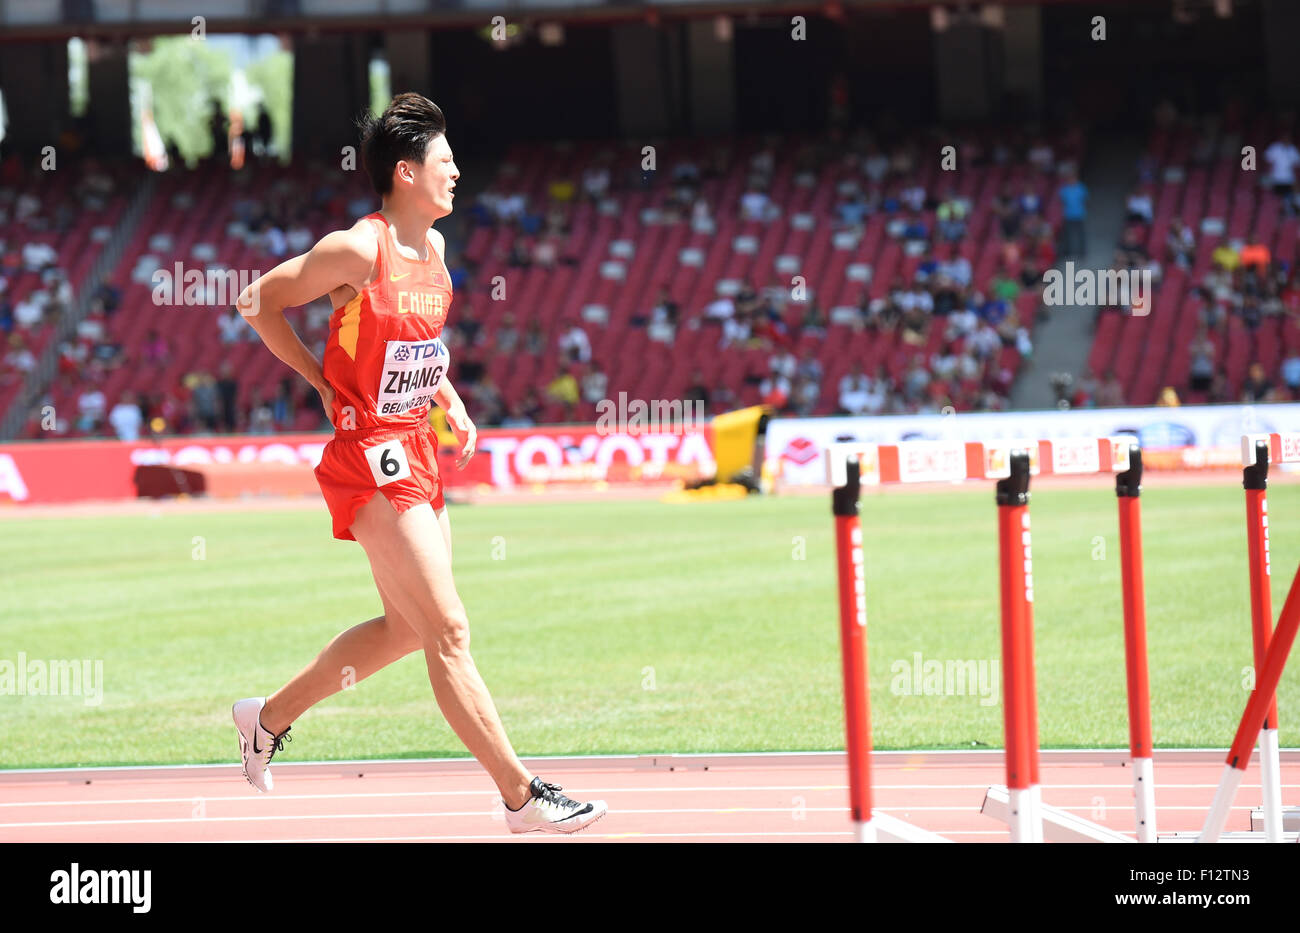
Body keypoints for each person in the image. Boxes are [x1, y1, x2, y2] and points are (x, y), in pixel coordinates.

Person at [229, 93, 605, 834]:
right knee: (450, 628)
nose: (458, 172)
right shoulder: (356, 249)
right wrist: (319, 380)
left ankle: (264, 719)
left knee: (407, 630)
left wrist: (450, 397)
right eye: (445, 161)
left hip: (417, 447)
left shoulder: (432, 253)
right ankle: (521, 796)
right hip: (367, 455)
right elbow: (255, 301)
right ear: (406, 174)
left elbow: (416, 346)